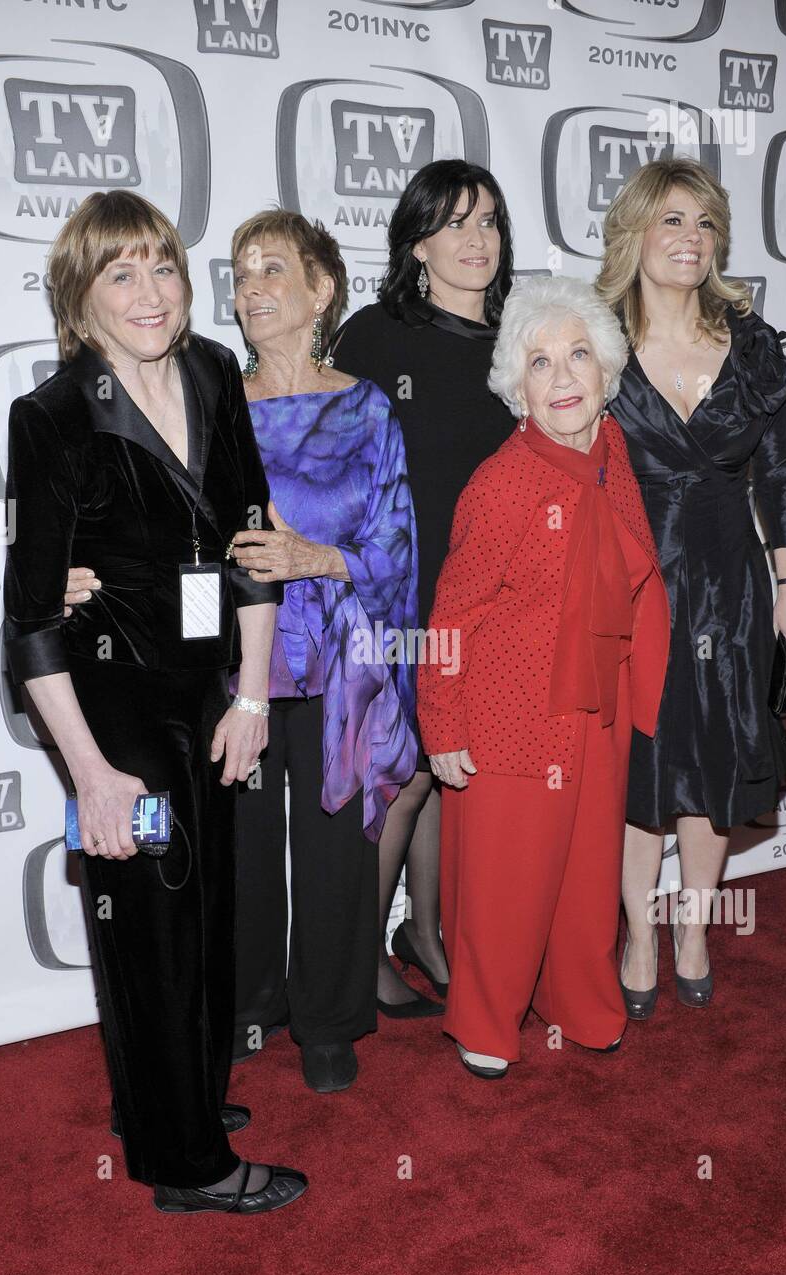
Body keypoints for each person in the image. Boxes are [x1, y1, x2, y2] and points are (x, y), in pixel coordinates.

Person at [4, 190, 306, 1215]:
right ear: (79, 297)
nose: (148, 291)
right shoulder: (50, 418)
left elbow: (253, 547)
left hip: (204, 692)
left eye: (162, 266)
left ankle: (170, 1099)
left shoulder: (217, 373)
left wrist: (253, 695)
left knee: (200, 904)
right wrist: (90, 772)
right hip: (113, 703)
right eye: (119, 272)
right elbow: (32, 620)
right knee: (155, 913)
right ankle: (187, 1169)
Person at [417, 277, 670, 1076]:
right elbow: (448, 616)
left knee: (587, 876)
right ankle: (487, 1023)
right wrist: (443, 727)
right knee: (507, 884)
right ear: (515, 388)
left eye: (578, 357)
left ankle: (578, 1001)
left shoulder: (613, 449)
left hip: (595, 707)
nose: (562, 378)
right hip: (508, 717)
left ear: (607, 373)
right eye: (539, 363)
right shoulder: (501, 483)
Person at [596, 158, 786, 1017]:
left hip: (730, 578)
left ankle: (691, 927)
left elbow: (784, 474)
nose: (690, 240)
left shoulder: (752, 343)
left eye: (706, 224)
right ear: (636, 234)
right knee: (644, 765)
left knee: (713, 756)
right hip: (632, 576)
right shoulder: (598, 336)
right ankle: (637, 930)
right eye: (672, 221)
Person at [216, 210, 419, 1092]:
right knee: (243, 843)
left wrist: (313, 559)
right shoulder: (214, 402)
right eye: (240, 273)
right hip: (241, 664)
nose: (252, 288)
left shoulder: (365, 405)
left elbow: (397, 543)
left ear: (320, 289)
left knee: (336, 846)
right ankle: (251, 1006)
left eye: (271, 270)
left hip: (343, 662)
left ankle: (330, 1020)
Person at [332, 159, 515, 1016]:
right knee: (405, 776)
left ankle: (425, 934)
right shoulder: (377, 334)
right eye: (452, 222)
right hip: (403, 596)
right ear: (416, 243)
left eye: (487, 221)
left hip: (498, 602)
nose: (474, 239)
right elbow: (340, 466)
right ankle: (359, 954)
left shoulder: (526, 337)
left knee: (450, 769)